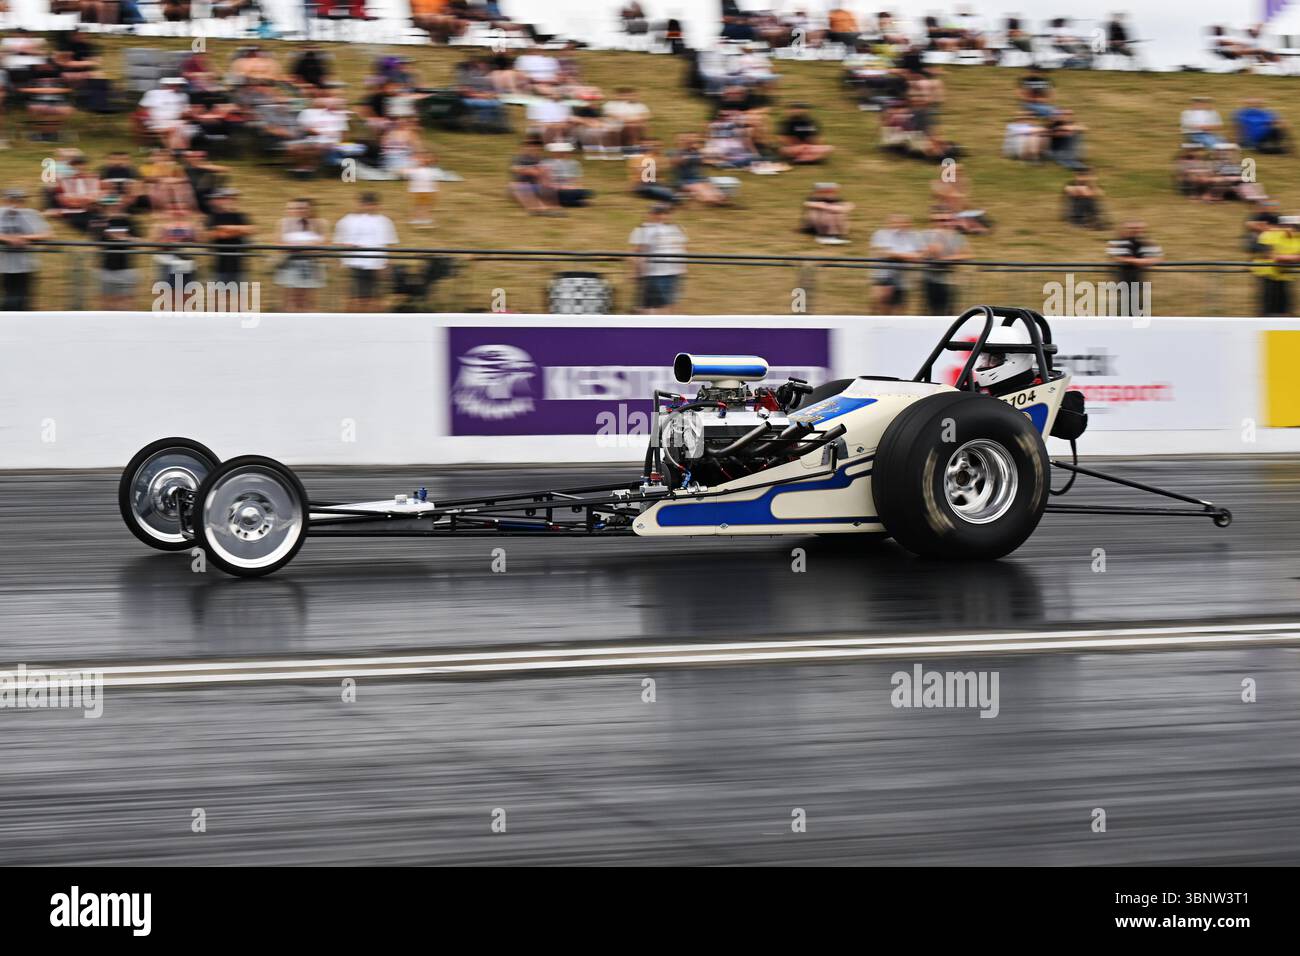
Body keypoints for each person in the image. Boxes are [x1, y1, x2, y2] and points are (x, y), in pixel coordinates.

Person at [332, 191, 398, 312]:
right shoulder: (348, 220)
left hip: (377, 264)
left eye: (371, 204)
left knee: (376, 298)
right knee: (354, 298)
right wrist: (342, 258)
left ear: (377, 205)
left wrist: (387, 264)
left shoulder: (384, 221)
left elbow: (388, 244)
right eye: (365, 204)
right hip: (354, 263)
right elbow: (339, 241)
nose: (368, 207)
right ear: (359, 204)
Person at [629, 203, 687, 314]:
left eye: (665, 213)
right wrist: (635, 272)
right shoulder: (643, 229)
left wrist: (683, 267)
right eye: (658, 213)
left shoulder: (675, 228)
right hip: (654, 273)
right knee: (650, 305)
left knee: (672, 302)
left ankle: (671, 326)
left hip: (674, 272)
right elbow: (637, 252)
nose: (662, 216)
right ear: (651, 214)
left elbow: (682, 248)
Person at [0, 188, 49, 311]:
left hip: (26, 266)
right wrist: (8, 239)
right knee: (9, 300)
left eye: (19, 201)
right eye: (11, 201)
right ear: (5, 201)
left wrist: (23, 237)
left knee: (24, 301)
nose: (15, 204)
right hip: (4, 266)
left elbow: (47, 234)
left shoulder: (31, 214)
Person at [275, 198, 328, 312]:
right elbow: (279, 244)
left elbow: (323, 244)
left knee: (309, 300)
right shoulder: (284, 223)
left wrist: (296, 245)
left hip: (312, 265)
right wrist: (308, 245)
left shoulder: (319, 223)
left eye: (303, 208)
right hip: (290, 264)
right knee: (290, 299)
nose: (300, 211)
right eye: (297, 208)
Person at [1107, 220, 1162, 316]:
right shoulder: (1119, 242)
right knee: (1126, 305)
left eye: (1138, 228)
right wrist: (1137, 261)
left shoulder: (1143, 242)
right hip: (1124, 279)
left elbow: (1158, 257)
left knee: (1134, 305)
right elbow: (1116, 257)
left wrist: (1139, 261)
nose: (1135, 231)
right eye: (1132, 228)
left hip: (1136, 279)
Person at [870, 213, 921, 314]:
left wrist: (897, 255)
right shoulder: (881, 234)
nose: (899, 225)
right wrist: (907, 256)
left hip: (903, 278)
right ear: (888, 223)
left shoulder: (911, 236)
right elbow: (884, 253)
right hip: (883, 276)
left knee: (900, 309)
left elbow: (918, 256)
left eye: (903, 223)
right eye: (895, 222)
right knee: (881, 305)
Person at [920, 211, 969, 314]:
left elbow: (967, 255)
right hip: (930, 280)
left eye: (947, 220)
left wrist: (948, 258)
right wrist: (938, 237)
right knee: (932, 313)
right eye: (939, 220)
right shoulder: (926, 235)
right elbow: (931, 254)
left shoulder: (957, 236)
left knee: (950, 313)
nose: (943, 223)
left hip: (950, 281)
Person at [205, 188, 254, 289]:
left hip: (238, 264)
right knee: (220, 298)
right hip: (219, 264)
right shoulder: (213, 217)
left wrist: (227, 228)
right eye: (226, 198)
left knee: (239, 298)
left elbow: (251, 230)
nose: (229, 201)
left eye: (232, 198)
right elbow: (213, 234)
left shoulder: (240, 216)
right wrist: (238, 231)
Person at [1254, 218, 1300, 316]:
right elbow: (1271, 256)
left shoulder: (1298, 238)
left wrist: (1284, 257)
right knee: (1268, 311)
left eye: (1296, 227)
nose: (1293, 229)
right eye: (1290, 226)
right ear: (1282, 226)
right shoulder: (1268, 235)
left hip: (1285, 277)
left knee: (1285, 311)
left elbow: (1278, 257)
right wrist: (1294, 258)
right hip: (1267, 276)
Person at [405, 150, 439, 228]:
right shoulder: (417, 169)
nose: (421, 160)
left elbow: (432, 182)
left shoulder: (430, 170)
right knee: (418, 205)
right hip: (419, 191)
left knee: (425, 205)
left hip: (427, 191)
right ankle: (417, 218)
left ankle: (425, 218)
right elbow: (409, 173)